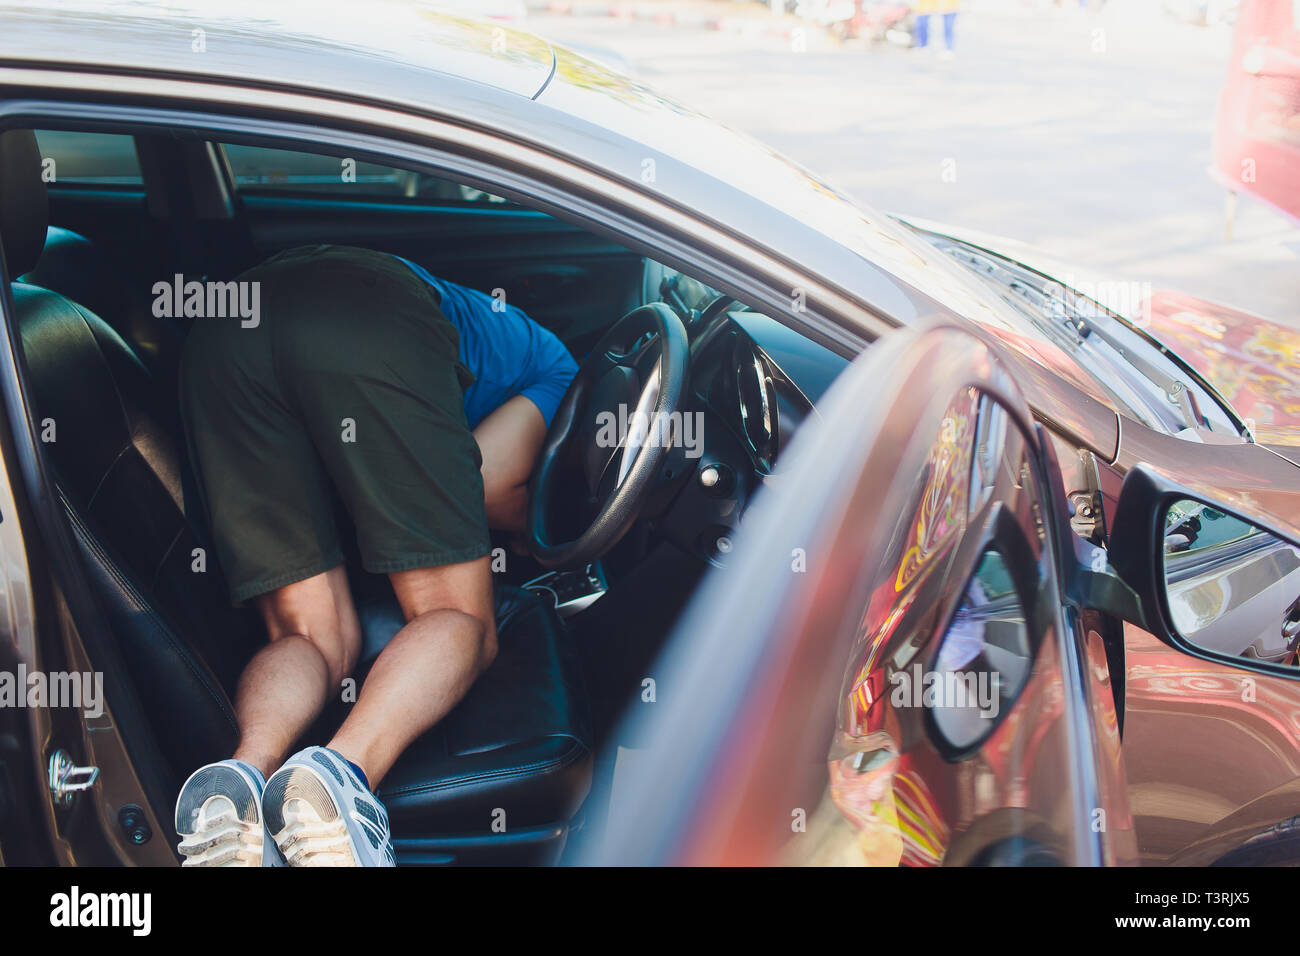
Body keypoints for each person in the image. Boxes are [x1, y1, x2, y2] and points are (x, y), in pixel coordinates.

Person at [172, 244, 577, 866]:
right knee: (458, 617)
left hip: (228, 331)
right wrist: (539, 532)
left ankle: (241, 785)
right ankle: (338, 780)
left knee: (314, 633)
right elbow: (495, 487)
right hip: (363, 319)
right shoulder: (560, 375)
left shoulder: (504, 335)